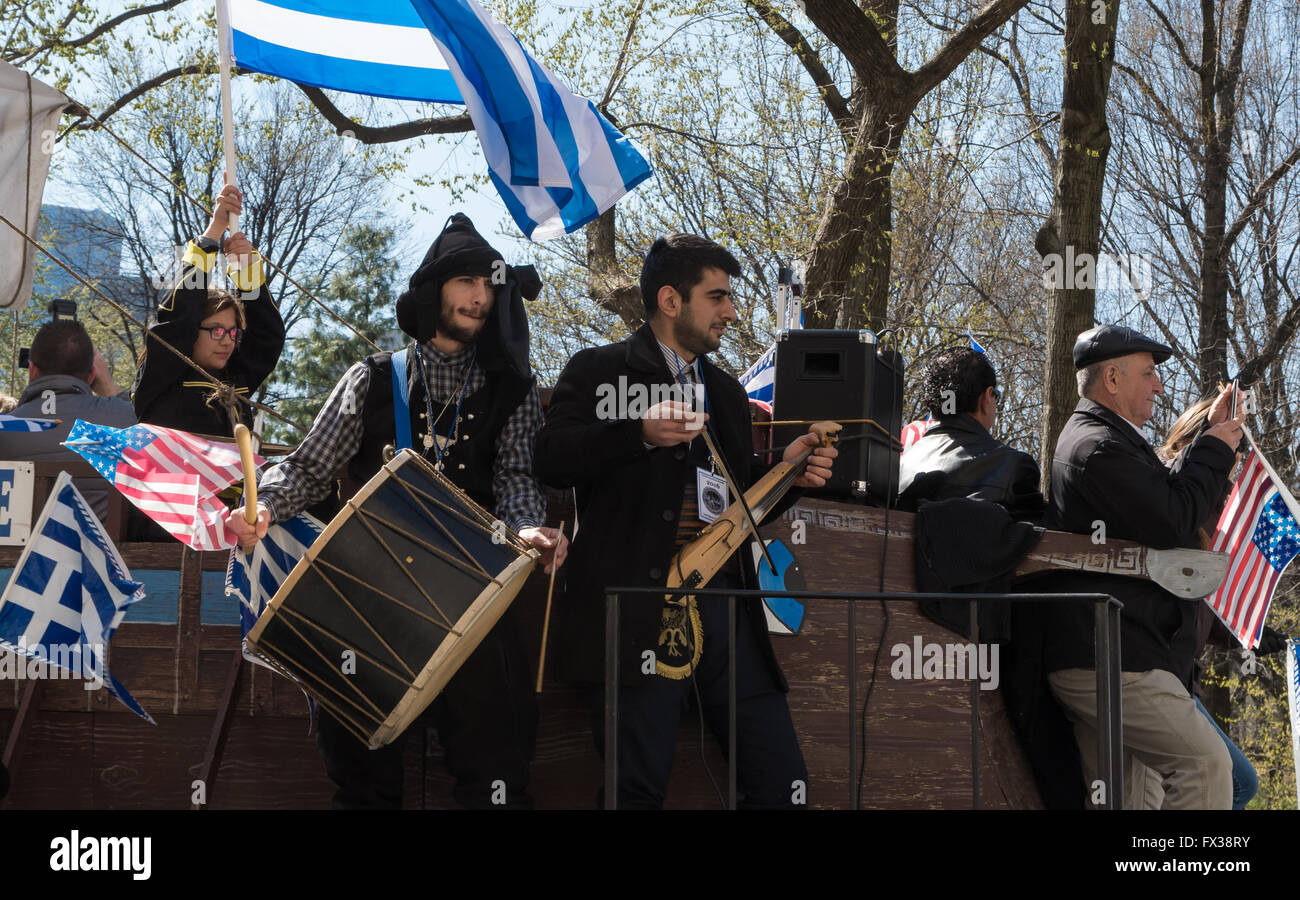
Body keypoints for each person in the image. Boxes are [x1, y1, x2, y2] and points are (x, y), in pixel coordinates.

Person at [224, 213, 566, 810]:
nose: (480, 297)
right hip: (369, 598)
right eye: (466, 282)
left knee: (496, 772)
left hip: (474, 596)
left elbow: (515, 482)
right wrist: (263, 509)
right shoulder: (371, 379)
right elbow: (307, 469)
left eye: (489, 285)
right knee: (362, 780)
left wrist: (526, 529)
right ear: (434, 292)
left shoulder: (513, 391)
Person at [534, 233, 837, 809]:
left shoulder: (725, 391)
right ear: (671, 301)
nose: (731, 310)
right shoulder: (600, 370)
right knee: (635, 793)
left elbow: (737, 503)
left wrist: (788, 476)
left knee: (782, 785)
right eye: (718, 296)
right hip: (635, 611)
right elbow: (550, 459)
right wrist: (636, 432)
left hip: (727, 608)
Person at [1037, 324, 1243, 809]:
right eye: (1148, 373)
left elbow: (1161, 501)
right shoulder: (1096, 447)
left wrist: (1207, 439)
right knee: (1207, 765)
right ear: (1111, 378)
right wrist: (1212, 448)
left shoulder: (1106, 443)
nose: (1159, 385)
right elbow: (1172, 519)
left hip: (1114, 654)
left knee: (1131, 801)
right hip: (1111, 660)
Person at [132, 183, 285, 437]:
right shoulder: (159, 376)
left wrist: (245, 270)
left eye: (233, 332)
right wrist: (214, 232)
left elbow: (267, 337)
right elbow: (178, 317)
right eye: (216, 330)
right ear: (192, 331)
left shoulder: (237, 378)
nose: (227, 341)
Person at [0, 320, 136, 523]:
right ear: (92, 374)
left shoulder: (5, 430)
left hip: (20, 555)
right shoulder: (128, 421)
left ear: (32, 370)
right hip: (105, 554)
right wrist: (109, 386)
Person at [896, 345, 1043, 520]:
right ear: (987, 397)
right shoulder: (1015, 467)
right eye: (996, 395)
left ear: (931, 401)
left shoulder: (899, 465)